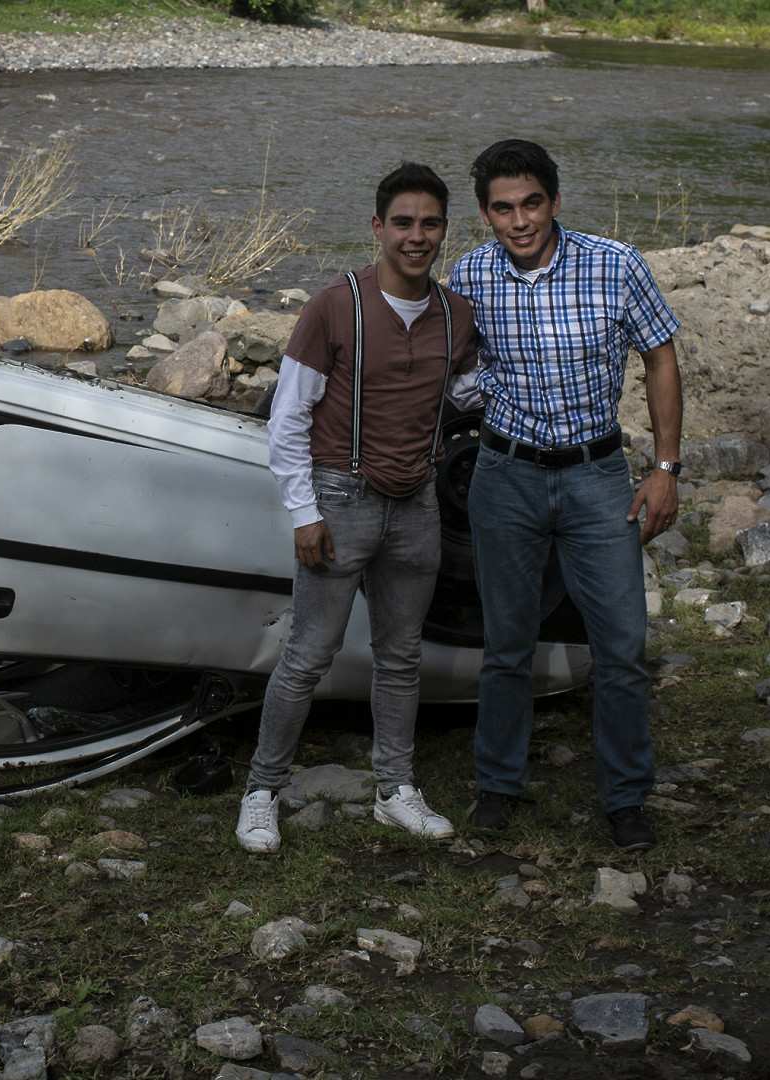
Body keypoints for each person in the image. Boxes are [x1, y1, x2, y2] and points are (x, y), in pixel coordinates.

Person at [235, 162, 480, 855]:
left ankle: (395, 790)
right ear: (378, 228)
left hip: (418, 504)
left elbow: (464, 394)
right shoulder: (333, 306)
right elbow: (288, 417)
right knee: (308, 654)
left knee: (401, 656)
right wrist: (304, 513)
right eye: (403, 222)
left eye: (430, 223)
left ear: (442, 231)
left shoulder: (455, 316)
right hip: (341, 500)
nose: (416, 236)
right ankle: (261, 791)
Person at [446, 139, 684, 852]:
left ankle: (625, 798)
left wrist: (666, 466)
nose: (519, 222)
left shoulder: (615, 264)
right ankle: (497, 786)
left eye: (531, 204)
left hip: (597, 475)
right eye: (502, 209)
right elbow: (450, 370)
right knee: (507, 643)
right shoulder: (470, 276)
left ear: (555, 201)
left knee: (620, 643)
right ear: (485, 212)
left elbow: (661, 354)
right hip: (505, 474)